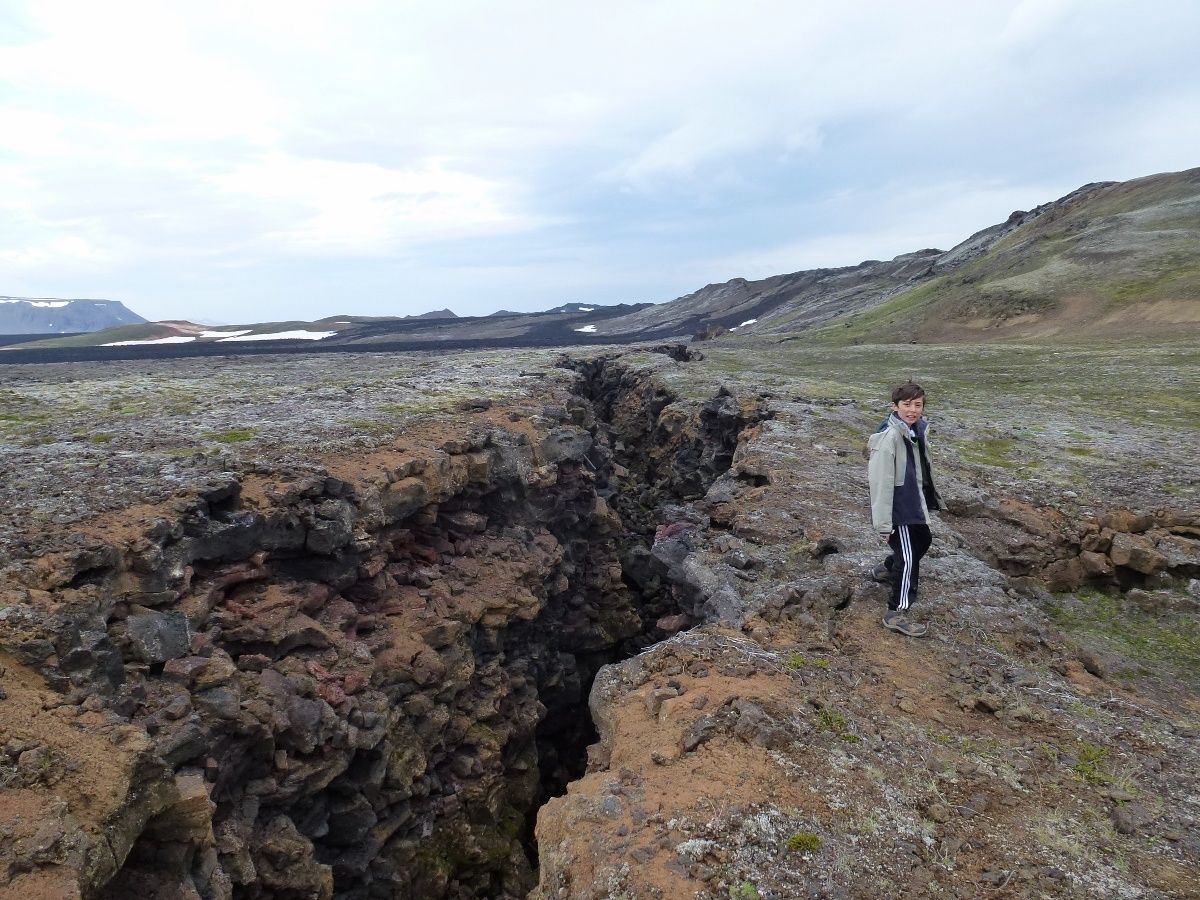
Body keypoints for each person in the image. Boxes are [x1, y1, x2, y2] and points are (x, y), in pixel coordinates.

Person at [867, 381, 942, 637]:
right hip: (900, 508)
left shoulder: (916, 430)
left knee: (923, 540)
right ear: (895, 406)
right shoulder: (889, 438)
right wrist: (884, 525)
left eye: (917, 405)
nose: (912, 410)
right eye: (906, 405)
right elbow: (880, 483)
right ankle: (895, 613)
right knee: (909, 558)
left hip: (914, 502)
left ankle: (889, 568)